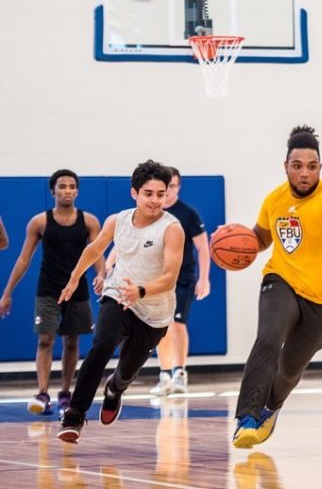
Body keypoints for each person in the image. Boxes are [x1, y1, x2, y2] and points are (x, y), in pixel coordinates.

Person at [231, 125, 322, 449]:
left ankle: (270, 408)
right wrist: (234, 240)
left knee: (290, 368)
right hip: (282, 280)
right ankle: (246, 418)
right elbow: (261, 239)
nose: (304, 173)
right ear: (286, 167)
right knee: (268, 338)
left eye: (311, 166)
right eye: (297, 166)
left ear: (320, 167)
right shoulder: (274, 199)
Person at [57, 160, 184, 443]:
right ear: (134, 193)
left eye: (160, 194)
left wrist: (141, 290)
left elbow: (170, 278)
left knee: (126, 371)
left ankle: (114, 389)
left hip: (153, 311)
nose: (155, 200)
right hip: (118, 296)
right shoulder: (118, 220)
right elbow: (94, 249)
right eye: (148, 194)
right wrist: (75, 277)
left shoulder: (171, 228)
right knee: (102, 345)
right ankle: (75, 414)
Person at [0, 170, 105, 417]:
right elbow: (24, 259)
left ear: (77, 191)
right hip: (47, 289)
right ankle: (42, 393)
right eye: (62, 186)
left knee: (71, 341)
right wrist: (7, 292)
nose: (67, 191)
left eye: (72, 186)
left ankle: (65, 394)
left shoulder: (89, 221)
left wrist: (101, 274)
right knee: (45, 339)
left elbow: (96, 252)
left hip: (77, 289)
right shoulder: (39, 222)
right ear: (53, 191)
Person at [148, 167, 210, 395]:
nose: (169, 191)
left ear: (179, 187)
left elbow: (203, 247)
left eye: (173, 186)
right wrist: (110, 261)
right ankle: (164, 375)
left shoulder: (188, 214)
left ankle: (179, 373)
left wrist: (204, 278)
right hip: (157, 278)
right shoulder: (151, 212)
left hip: (183, 277)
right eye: (167, 186)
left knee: (177, 324)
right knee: (161, 327)